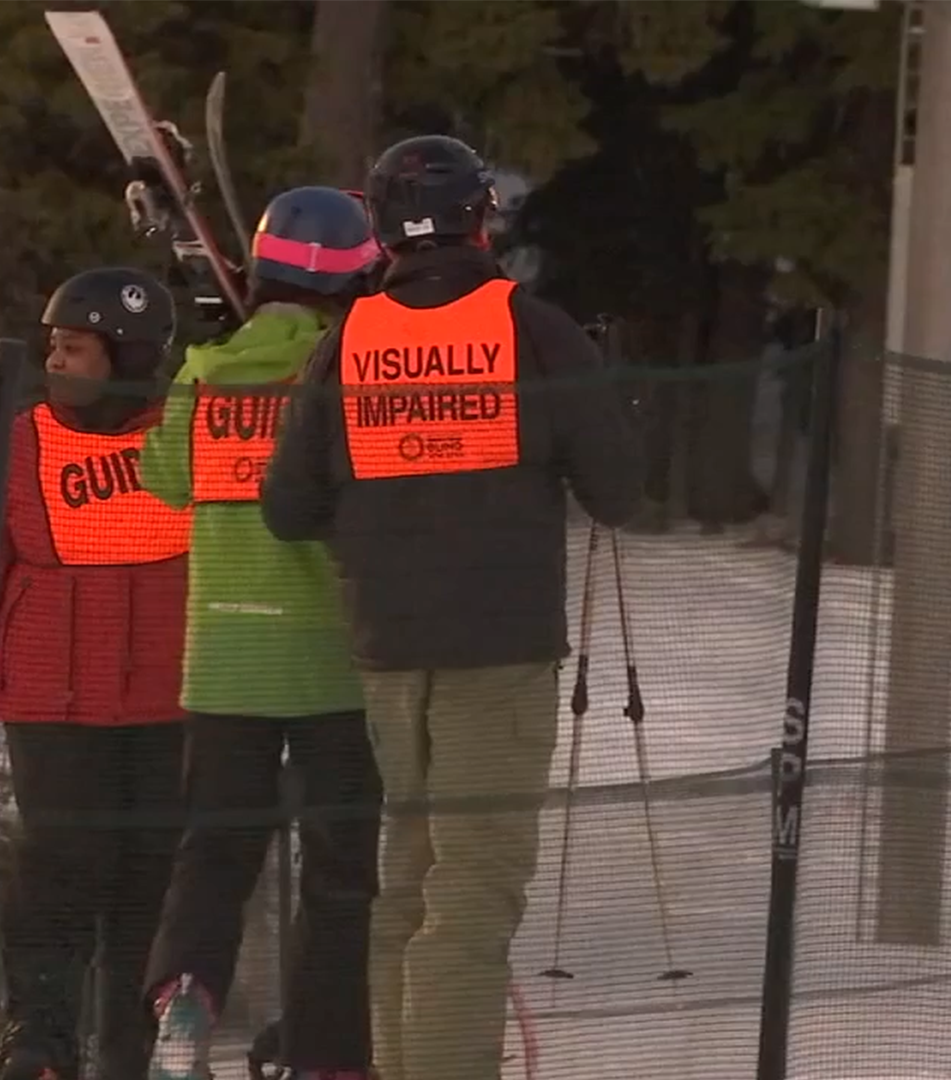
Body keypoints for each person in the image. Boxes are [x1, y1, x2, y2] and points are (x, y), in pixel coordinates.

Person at [259, 136, 644, 1080]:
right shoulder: (533, 330)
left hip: (388, 646)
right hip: (498, 646)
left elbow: (288, 507)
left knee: (410, 878)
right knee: (473, 886)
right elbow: (619, 491)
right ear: (481, 220)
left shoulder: (348, 341)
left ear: (384, 231)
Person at [0, 267, 193, 1080]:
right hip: (55, 705)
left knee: (152, 883)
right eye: (53, 348)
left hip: (169, 707)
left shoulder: (185, 437)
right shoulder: (25, 442)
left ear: (127, 356)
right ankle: (41, 1043)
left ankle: (137, 1049)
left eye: (73, 348)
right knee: (58, 873)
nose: (55, 363)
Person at [134, 187, 383, 1080]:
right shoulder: (345, 371)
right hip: (329, 659)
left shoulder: (204, 371)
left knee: (215, 849)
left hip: (224, 656)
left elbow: (163, 479)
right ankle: (327, 1051)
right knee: (339, 867)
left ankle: (185, 997)